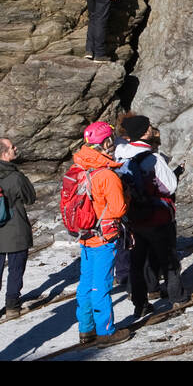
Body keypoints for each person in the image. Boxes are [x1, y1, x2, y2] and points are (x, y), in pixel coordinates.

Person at [116, 113, 188, 318]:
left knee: (137, 262)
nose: (150, 129)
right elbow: (169, 187)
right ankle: (177, 297)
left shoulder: (120, 155)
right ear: (144, 132)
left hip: (132, 216)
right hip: (156, 215)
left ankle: (141, 303)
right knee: (168, 259)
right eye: (147, 127)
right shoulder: (152, 158)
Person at [71, 121, 131, 346]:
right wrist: (126, 194)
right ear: (105, 142)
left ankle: (86, 329)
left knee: (86, 283)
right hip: (104, 236)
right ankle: (106, 331)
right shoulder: (107, 175)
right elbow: (118, 210)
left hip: (85, 235)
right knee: (102, 284)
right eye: (111, 140)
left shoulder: (78, 167)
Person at [0, 138, 36, 322]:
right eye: (12, 147)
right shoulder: (16, 176)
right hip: (15, 229)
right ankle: (12, 306)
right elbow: (30, 198)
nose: (15, 149)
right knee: (15, 270)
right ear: (5, 153)